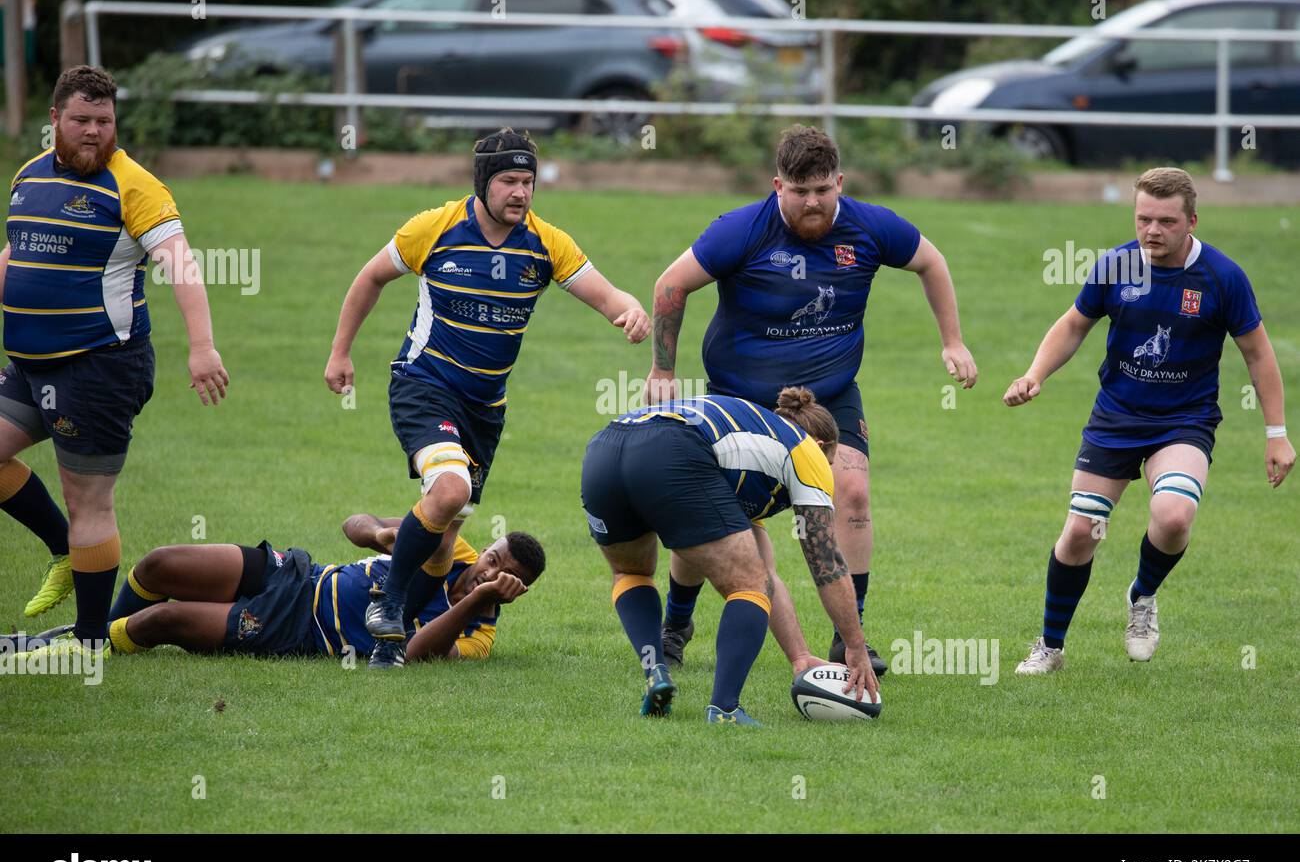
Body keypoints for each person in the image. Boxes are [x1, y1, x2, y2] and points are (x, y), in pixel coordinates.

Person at [643, 124, 977, 671]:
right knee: (719, 520)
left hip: (829, 395)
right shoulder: (741, 230)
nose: (813, 202)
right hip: (742, 399)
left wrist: (953, 341)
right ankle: (678, 622)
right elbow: (669, 286)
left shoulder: (870, 227)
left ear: (839, 182)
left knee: (853, 492)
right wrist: (662, 367)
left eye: (823, 190)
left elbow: (931, 262)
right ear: (778, 186)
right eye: (800, 192)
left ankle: (852, 637)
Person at [324, 128, 647, 668]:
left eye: (528, 182)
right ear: (482, 182)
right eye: (508, 182)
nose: (521, 193)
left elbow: (607, 293)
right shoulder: (435, 228)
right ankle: (391, 604)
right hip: (423, 386)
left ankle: (391, 648)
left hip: (484, 411)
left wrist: (629, 310)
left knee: (446, 538)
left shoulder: (546, 244)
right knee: (449, 492)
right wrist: (340, 353)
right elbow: (371, 277)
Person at [1005, 167, 1293, 674]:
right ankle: (1050, 646)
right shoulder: (1116, 266)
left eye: (1165, 221)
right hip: (1117, 417)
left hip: (1185, 419)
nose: (1152, 230)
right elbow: (1075, 323)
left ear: (1191, 221)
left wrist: (1277, 434)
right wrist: (1035, 374)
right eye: (1143, 219)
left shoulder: (1223, 278)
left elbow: (1258, 355)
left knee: (1174, 516)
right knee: (1080, 532)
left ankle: (1142, 596)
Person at [0, 65, 229, 657]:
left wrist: (202, 347)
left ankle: (90, 639)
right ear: (54, 121)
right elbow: (17, 253)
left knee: (88, 500)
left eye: (104, 121)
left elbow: (180, 263)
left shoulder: (136, 186)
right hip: (30, 364)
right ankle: (63, 550)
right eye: (80, 120)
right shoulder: (28, 177)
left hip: (98, 367)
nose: (93, 132)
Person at [581, 386, 880, 726]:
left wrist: (799, 658)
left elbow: (767, 569)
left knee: (631, 572)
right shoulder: (805, 450)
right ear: (823, 446)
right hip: (672, 449)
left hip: (604, 448)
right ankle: (724, 710)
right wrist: (854, 645)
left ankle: (656, 671)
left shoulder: (747, 444)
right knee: (749, 587)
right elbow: (826, 563)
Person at [13, 513, 546, 665]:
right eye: (491, 560)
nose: (484, 571)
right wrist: (385, 536)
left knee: (163, 621)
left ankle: (78, 646)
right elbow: (353, 522)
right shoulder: (454, 550)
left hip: (296, 627)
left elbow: (414, 650)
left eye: (499, 574)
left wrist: (477, 599)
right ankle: (91, 637)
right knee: (158, 565)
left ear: (514, 590)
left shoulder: (479, 634)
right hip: (294, 574)